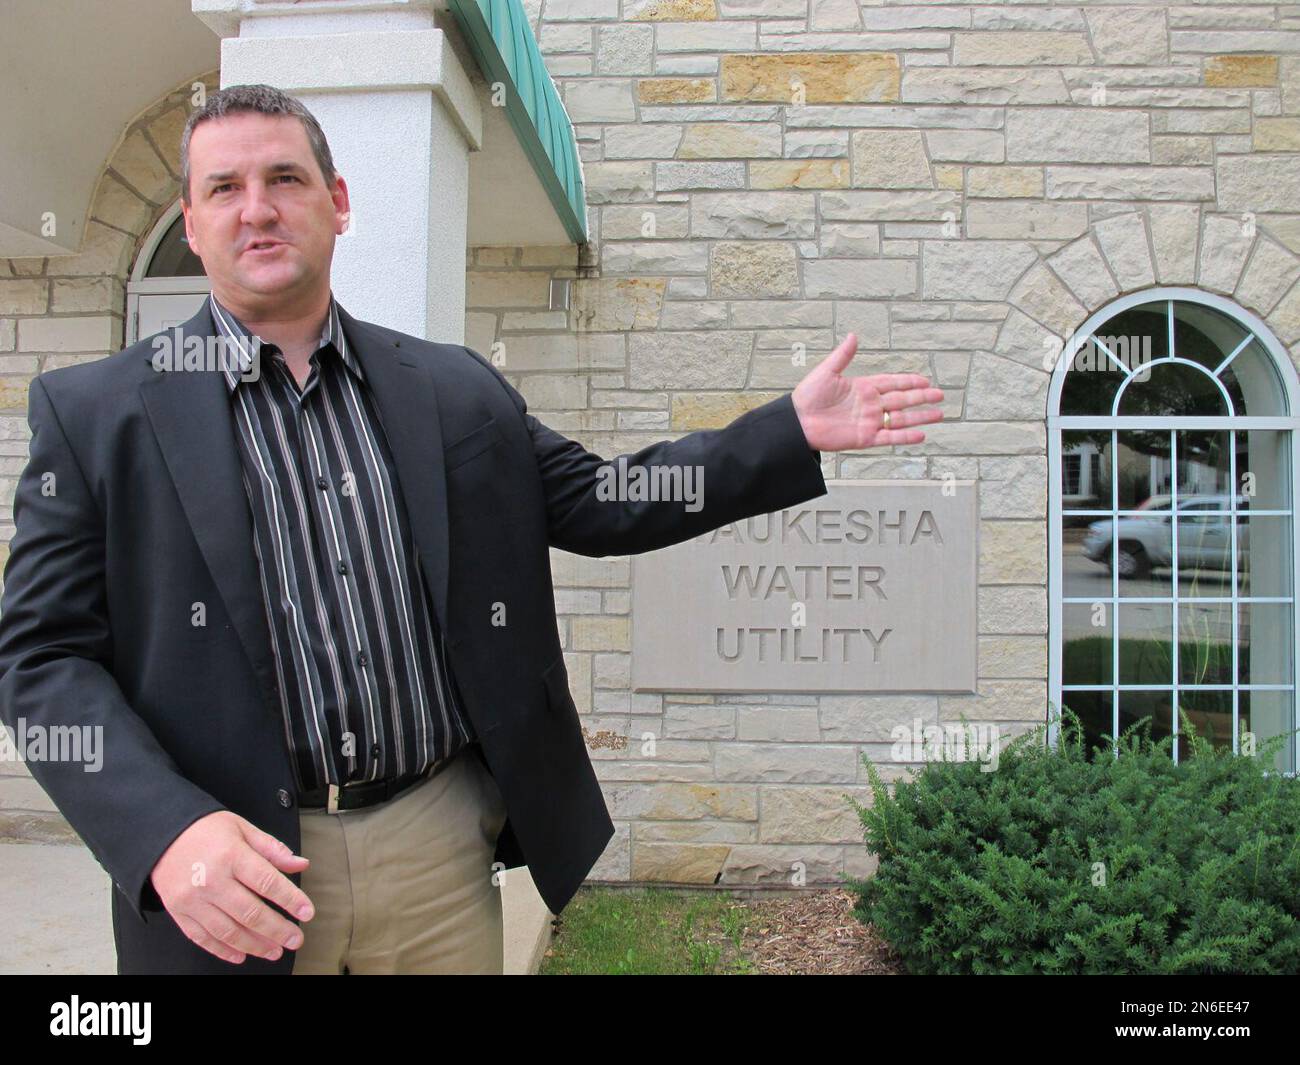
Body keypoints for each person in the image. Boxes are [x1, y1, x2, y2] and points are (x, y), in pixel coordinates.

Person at [0, 84, 944, 974]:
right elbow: (40, 660)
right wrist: (163, 830)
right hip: (232, 865)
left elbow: (605, 498)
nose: (258, 208)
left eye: (284, 179)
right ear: (194, 220)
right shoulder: (95, 416)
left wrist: (784, 432)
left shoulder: (452, 389)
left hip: (436, 852)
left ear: (336, 201)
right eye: (225, 188)